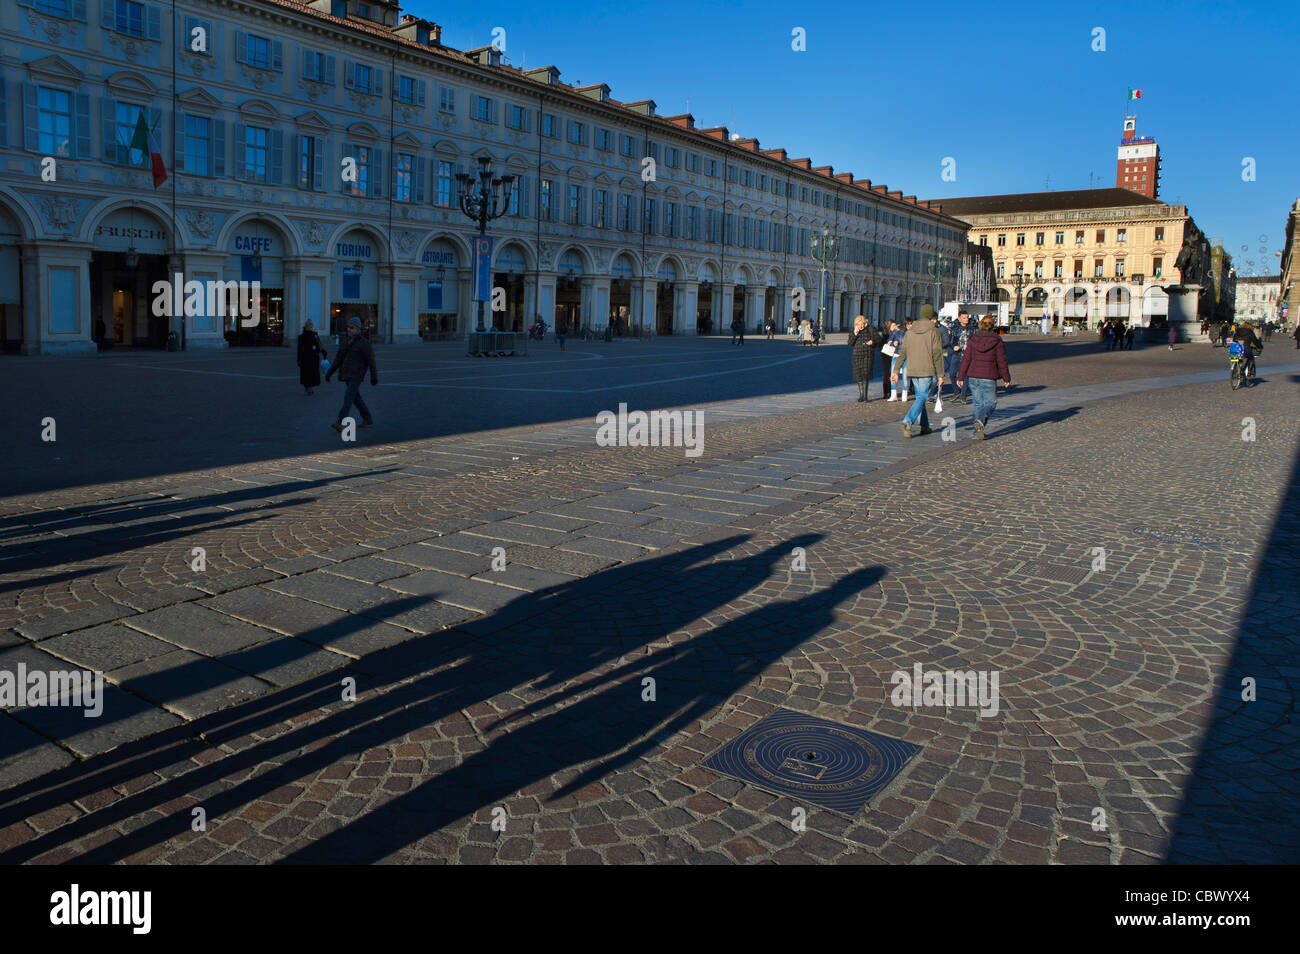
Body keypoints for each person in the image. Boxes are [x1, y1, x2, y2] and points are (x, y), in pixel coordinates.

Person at [891, 304, 945, 438]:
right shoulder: (934, 331)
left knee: (920, 396)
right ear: (931, 316)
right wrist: (941, 374)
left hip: (913, 369)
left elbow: (903, 352)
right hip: (928, 368)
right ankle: (908, 421)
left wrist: (896, 369)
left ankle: (925, 426)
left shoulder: (910, 331)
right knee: (922, 397)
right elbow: (937, 354)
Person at [957, 315, 1012, 440]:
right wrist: (1006, 378)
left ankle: (978, 432)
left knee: (978, 404)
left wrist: (960, 376)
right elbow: (1001, 360)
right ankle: (980, 421)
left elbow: (966, 359)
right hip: (988, 376)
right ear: (992, 326)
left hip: (973, 376)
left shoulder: (973, 339)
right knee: (991, 403)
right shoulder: (997, 340)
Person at [326, 315, 378, 431]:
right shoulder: (344, 342)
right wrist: (329, 373)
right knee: (356, 398)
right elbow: (338, 359)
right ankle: (367, 418)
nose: (349, 329)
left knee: (348, 397)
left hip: (357, 375)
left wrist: (374, 377)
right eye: (348, 327)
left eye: (352, 328)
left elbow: (371, 361)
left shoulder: (364, 343)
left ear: (358, 329)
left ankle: (340, 422)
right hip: (346, 374)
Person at [847, 314, 883, 403]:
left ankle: (865, 396)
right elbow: (850, 344)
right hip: (857, 356)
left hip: (867, 355)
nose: (861, 326)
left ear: (865, 323)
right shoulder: (853, 331)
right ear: (856, 324)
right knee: (858, 375)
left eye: (862, 324)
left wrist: (873, 342)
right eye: (859, 324)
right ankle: (861, 395)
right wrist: (855, 334)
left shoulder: (870, 329)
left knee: (865, 375)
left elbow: (879, 339)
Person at [948, 311, 974, 404]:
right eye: (964, 318)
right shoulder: (954, 328)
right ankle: (956, 392)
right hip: (956, 354)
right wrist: (954, 346)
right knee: (952, 373)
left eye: (967, 317)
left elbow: (975, 340)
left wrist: (970, 346)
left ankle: (963, 396)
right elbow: (950, 340)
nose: (966, 319)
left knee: (966, 375)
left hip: (968, 355)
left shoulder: (972, 328)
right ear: (959, 318)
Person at [297, 319, 326, 395]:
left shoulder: (315, 334)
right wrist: (298, 359)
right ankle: (308, 388)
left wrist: (323, 352)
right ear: (306, 326)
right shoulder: (301, 337)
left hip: (314, 357)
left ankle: (310, 387)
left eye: (311, 325)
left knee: (313, 374)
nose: (310, 326)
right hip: (305, 358)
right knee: (306, 374)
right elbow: (299, 349)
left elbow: (319, 344)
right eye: (309, 325)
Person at [885, 318, 906, 400]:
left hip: (905, 356)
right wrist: (893, 343)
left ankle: (905, 394)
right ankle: (893, 394)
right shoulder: (894, 332)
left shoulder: (907, 333)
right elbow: (889, 341)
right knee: (893, 374)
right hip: (896, 355)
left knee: (905, 375)